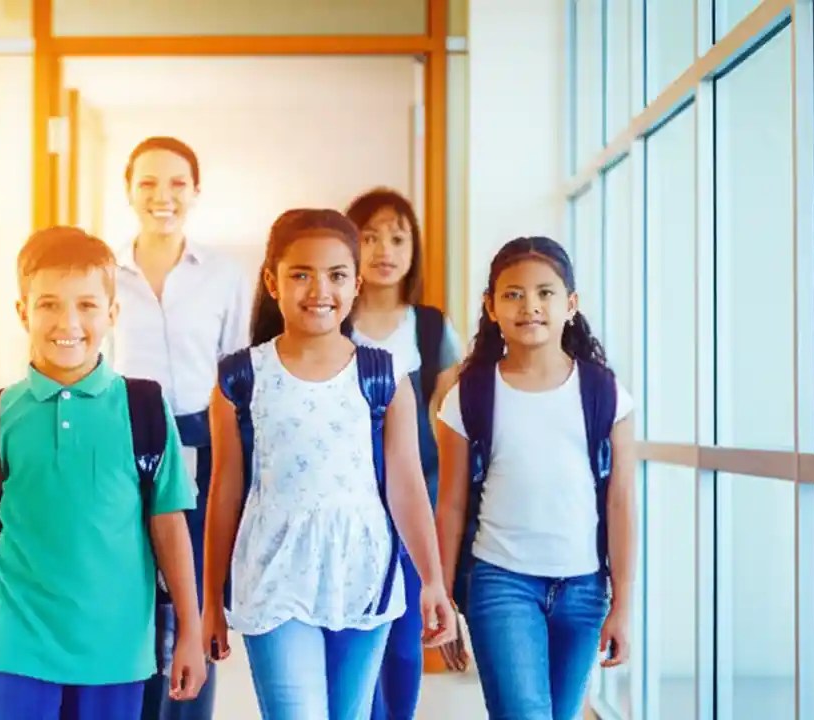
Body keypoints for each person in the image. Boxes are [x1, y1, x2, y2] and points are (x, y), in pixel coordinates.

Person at [201, 209, 459, 718]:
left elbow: (406, 486)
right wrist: (211, 599)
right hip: (272, 575)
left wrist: (432, 581)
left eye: (337, 275)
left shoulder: (384, 377)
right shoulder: (240, 380)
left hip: (362, 575)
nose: (320, 289)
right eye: (301, 274)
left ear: (356, 283)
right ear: (273, 282)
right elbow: (225, 493)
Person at [0, 226, 206, 720]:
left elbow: (169, 527)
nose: (68, 321)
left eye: (87, 305)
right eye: (48, 305)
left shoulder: (144, 407)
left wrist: (190, 633)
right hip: (15, 646)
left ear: (112, 313)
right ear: (23, 312)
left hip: (117, 650)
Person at [434, 237, 637, 720]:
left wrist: (623, 606)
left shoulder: (605, 392)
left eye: (545, 293)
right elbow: (451, 505)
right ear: (491, 307)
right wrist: (441, 597)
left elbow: (621, 502)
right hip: (501, 582)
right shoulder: (470, 394)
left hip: (584, 588)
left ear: (570, 304)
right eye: (513, 294)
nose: (530, 306)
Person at [111, 136, 250, 720]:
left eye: (175, 184)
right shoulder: (105, 272)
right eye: (148, 183)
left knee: (194, 597)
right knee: (132, 596)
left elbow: (238, 373)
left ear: (195, 192)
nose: (161, 196)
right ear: (128, 191)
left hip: (201, 439)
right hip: (121, 441)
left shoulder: (224, 274)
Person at [343, 188, 465, 718]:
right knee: (351, 635)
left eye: (398, 238)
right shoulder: (330, 320)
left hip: (416, 504)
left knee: (402, 638)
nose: (384, 250)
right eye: (370, 237)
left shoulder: (432, 327)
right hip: (345, 502)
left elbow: (452, 418)